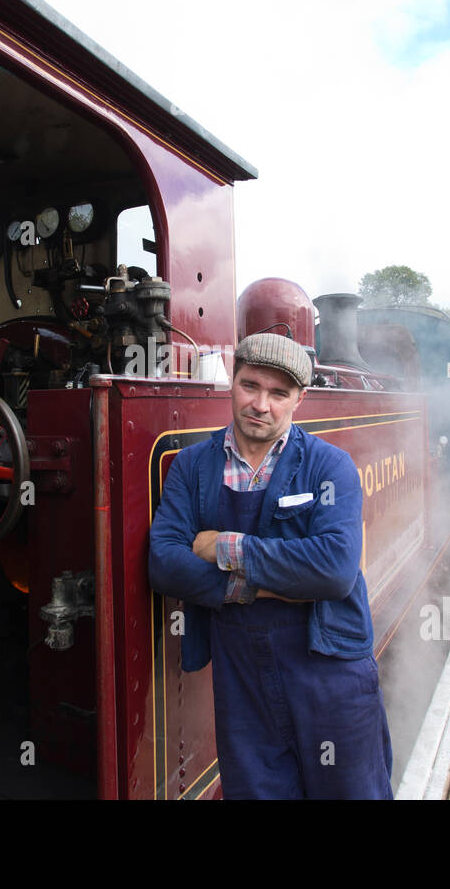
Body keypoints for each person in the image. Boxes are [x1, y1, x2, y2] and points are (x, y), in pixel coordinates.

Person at [148, 333, 393, 799]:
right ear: (232, 384)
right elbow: (164, 563)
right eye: (250, 386)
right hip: (240, 674)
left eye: (278, 393)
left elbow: (335, 569)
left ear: (299, 399)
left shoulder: (330, 468)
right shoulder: (192, 467)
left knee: (352, 790)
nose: (260, 404)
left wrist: (225, 546)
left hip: (328, 668)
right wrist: (256, 588)